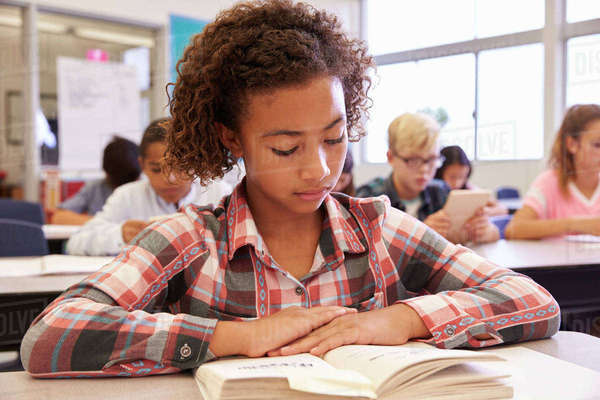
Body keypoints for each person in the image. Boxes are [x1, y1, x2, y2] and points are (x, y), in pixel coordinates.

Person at [21, 0, 558, 377]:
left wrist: (402, 318)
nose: (319, 169)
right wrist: (235, 336)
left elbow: (534, 302)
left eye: (334, 138)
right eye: (285, 148)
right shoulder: (190, 242)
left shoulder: (378, 230)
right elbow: (49, 337)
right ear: (231, 138)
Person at [64, 118, 232, 256]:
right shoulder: (127, 196)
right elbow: (75, 243)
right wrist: (121, 234)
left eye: (181, 167)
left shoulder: (219, 193)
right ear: (142, 165)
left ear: (195, 162)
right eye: (157, 169)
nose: (170, 178)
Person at [356, 113, 499, 244]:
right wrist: (420, 235)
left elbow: (465, 238)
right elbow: (362, 254)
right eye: (413, 160)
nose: (424, 169)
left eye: (431, 160)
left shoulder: (440, 191)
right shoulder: (369, 198)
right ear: (391, 157)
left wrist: (485, 231)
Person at [506, 104, 600, 239]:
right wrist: (575, 223)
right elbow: (513, 229)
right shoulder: (549, 182)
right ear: (572, 144)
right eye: (597, 145)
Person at [50, 136, 141, 225]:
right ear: (106, 173)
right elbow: (58, 217)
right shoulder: (95, 188)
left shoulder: (145, 190)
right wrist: (103, 224)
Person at [435, 145, 508, 217]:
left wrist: (486, 212)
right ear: (439, 172)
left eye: (462, 177)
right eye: (452, 177)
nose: (457, 183)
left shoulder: (468, 189)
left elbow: (502, 209)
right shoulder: (432, 191)